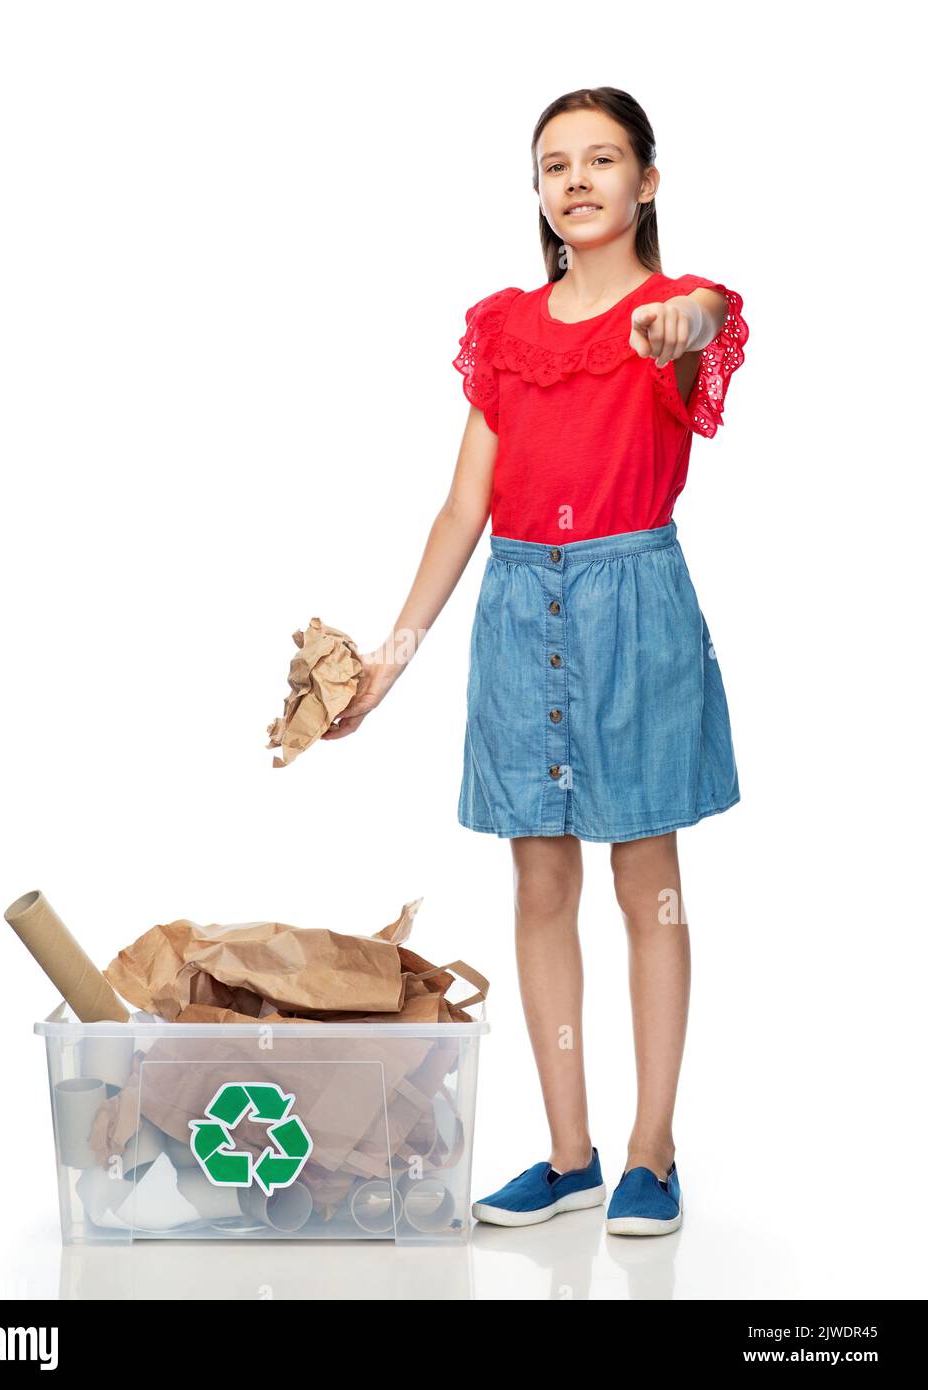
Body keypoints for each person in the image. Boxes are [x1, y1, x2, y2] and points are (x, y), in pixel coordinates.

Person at [321, 87, 749, 1237]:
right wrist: (388, 660)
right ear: (538, 192)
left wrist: (687, 320)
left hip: (632, 605)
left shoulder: (673, 311)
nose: (575, 180)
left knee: (645, 880)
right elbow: (464, 505)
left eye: (602, 158)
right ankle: (570, 1154)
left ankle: (652, 1151)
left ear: (645, 180)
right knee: (539, 880)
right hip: (519, 609)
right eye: (552, 163)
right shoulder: (506, 330)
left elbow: (706, 316)